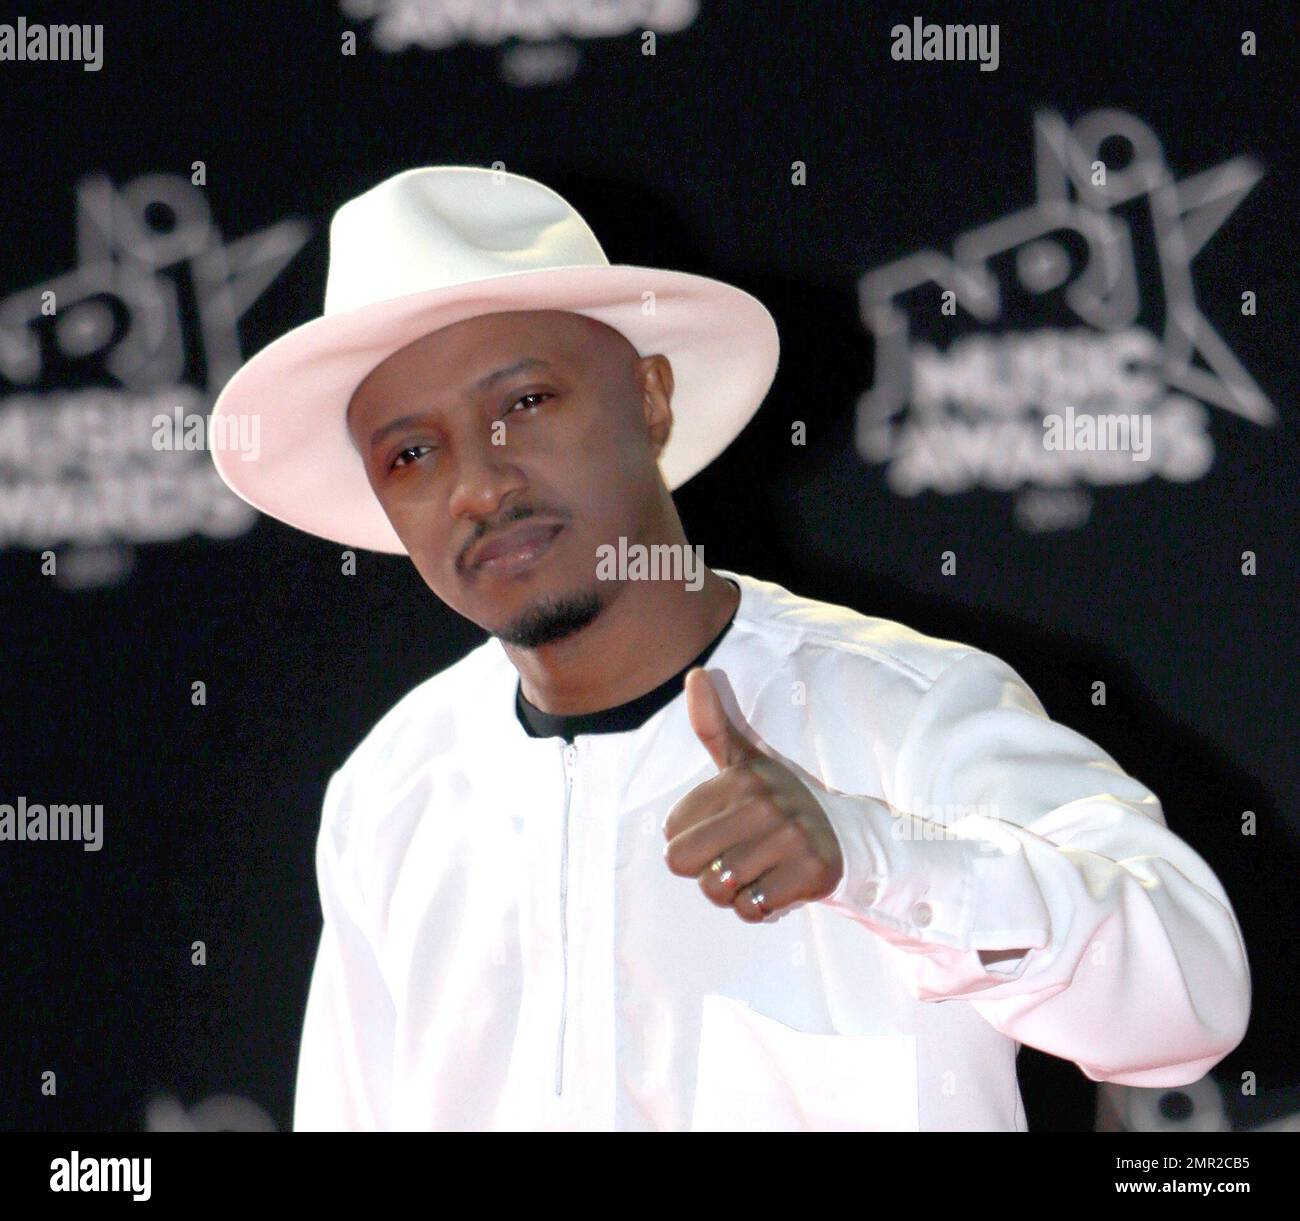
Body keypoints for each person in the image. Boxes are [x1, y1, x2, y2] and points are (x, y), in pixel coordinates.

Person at [210, 166, 1250, 1131]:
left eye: (523, 403)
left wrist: (873, 856)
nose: (477, 485)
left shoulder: (904, 708)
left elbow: (1189, 1005)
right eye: (411, 453)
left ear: (652, 399)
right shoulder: (391, 788)